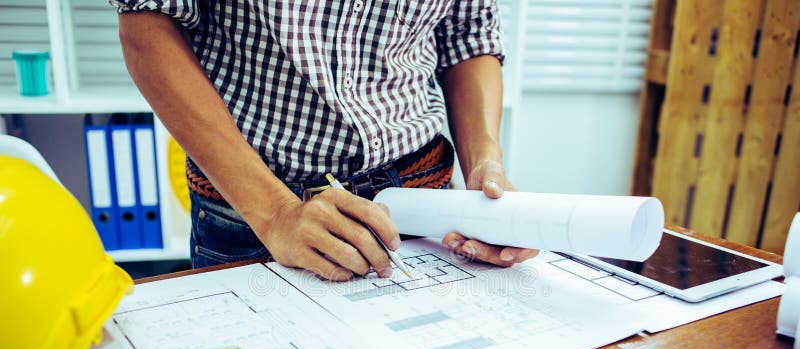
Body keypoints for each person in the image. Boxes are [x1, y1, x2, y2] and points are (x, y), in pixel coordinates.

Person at [111, 0, 537, 280]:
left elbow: (467, 34)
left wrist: (485, 164)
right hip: (256, 202)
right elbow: (147, 22)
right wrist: (276, 215)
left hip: (421, 190)